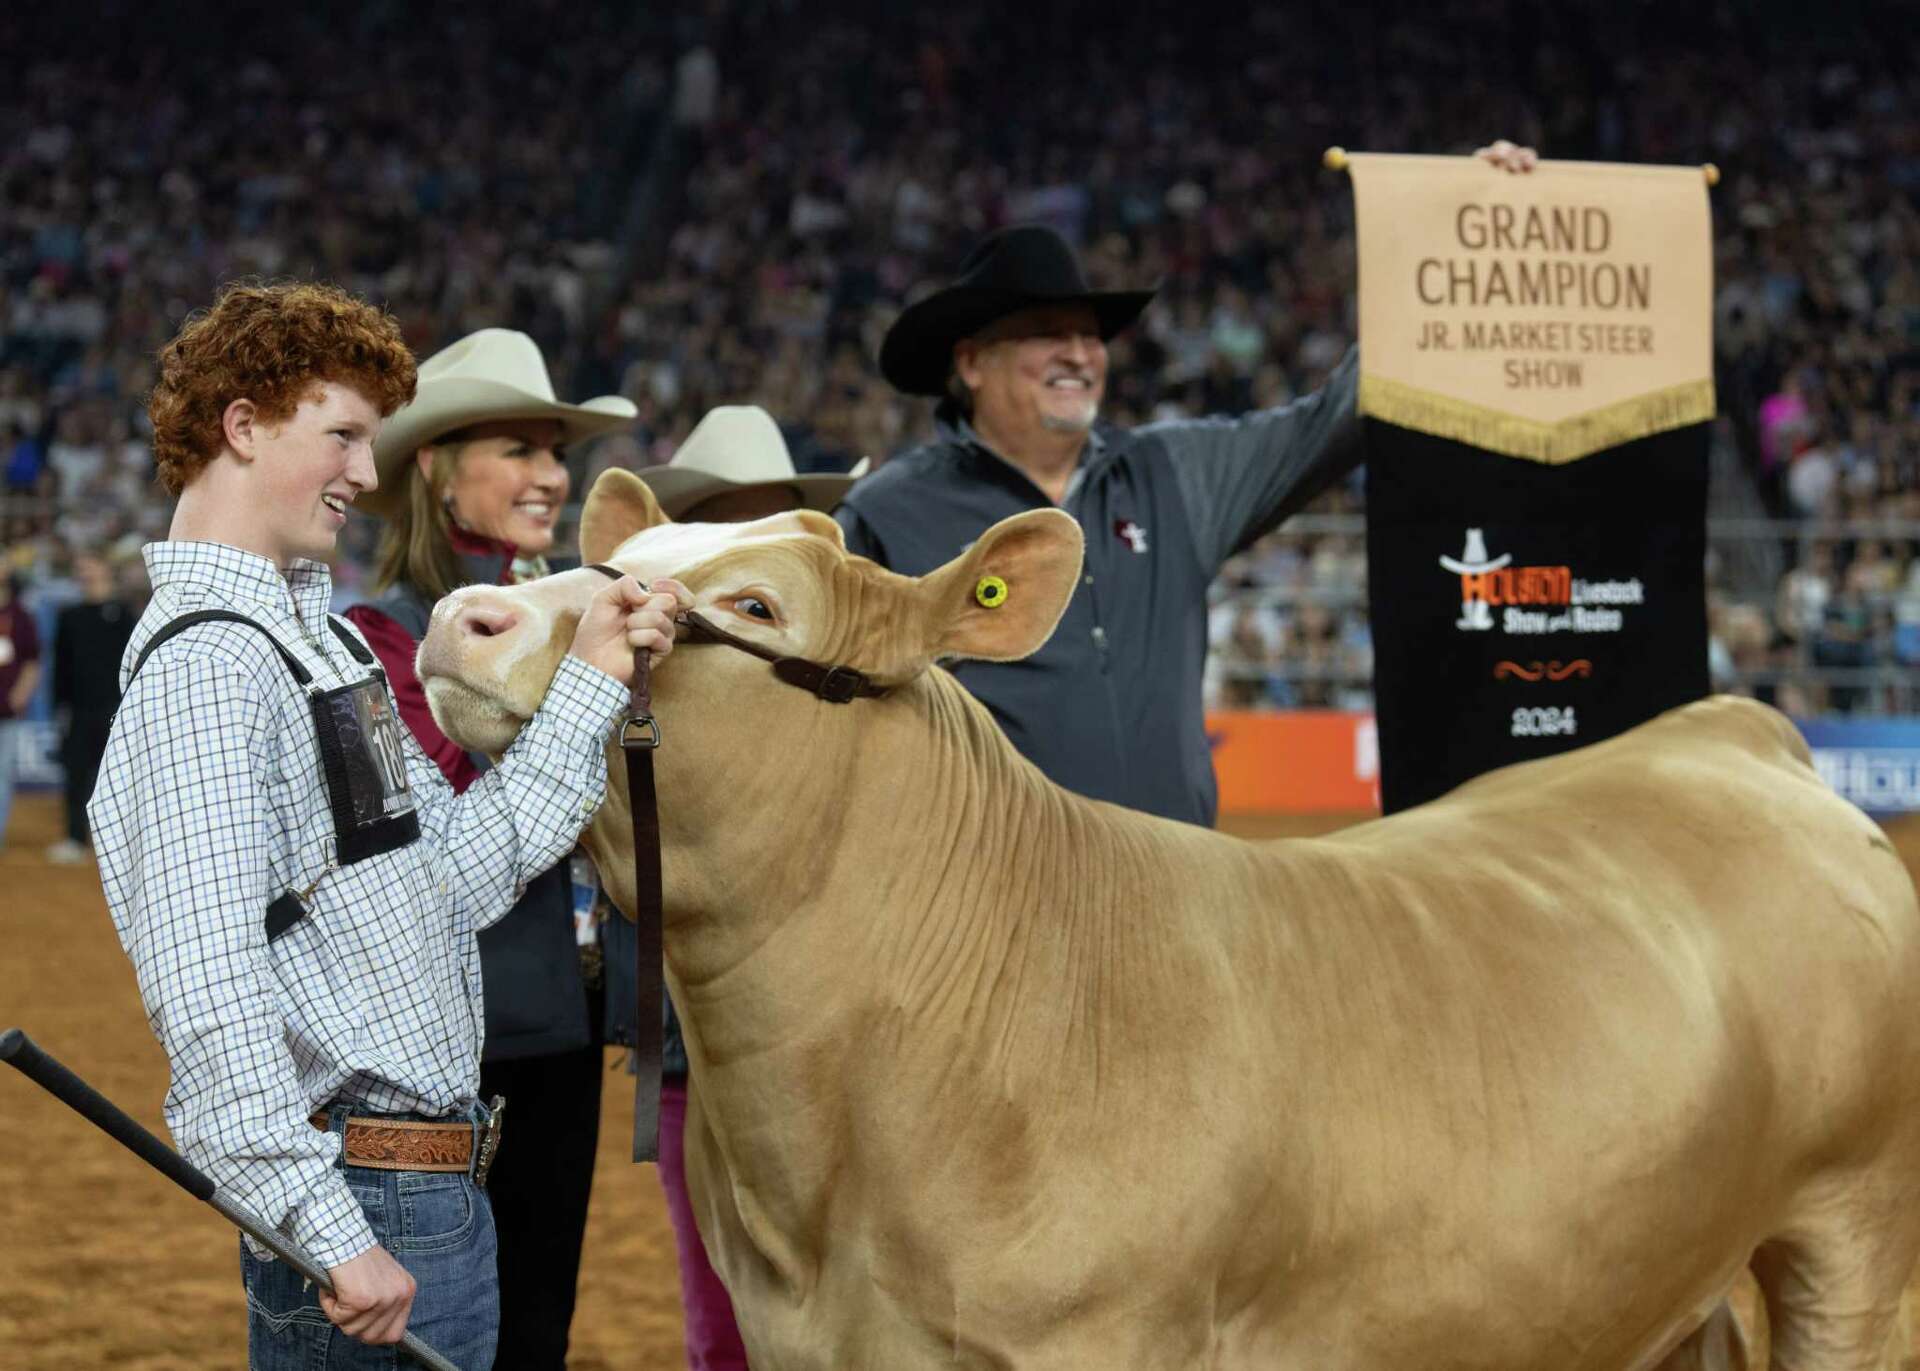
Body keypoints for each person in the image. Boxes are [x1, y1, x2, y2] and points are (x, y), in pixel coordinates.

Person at [87, 282, 688, 1370]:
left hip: (427, 1192)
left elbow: (457, 874)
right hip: (365, 1208)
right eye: (346, 436)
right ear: (243, 425)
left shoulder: (325, 649)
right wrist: (324, 1232)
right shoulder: (209, 670)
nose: (367, 473)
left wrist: (594, 675)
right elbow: (206, 989)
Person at [838, 142, 1535, 826]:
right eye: (1047, 333)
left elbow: (1337, 417)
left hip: (1175, 899)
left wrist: (1462, 229)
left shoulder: (1171, 472)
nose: (1080, 354)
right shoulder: (890, 514)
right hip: (997, 910)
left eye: (1091, 335)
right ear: (972, 362)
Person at [343, 326, 639, 1371]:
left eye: (555, 452)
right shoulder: (376, 637)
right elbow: (441, 827)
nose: (550, 476)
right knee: (440, 1340)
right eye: (516, 448)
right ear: (434, 468)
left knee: (537, 1329)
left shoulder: (575, 608)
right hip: (445, 1054)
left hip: (558, 1021)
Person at [633, 404, 855, 1371]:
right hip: (713, 1042)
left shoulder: (830, 666)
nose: (748, 545)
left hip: (843, 1041)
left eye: (767, 525)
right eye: (728, 521)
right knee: (728, 1319)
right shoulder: (637, 655)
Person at [48, 550, 134, 863]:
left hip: (116, 711)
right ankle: (74, 839)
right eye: (79, 566)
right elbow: (60, 667)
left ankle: (119, 849)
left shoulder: (124, 614)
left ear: (106, 568)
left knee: (118, 782)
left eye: (90, 564)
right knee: (76, 777)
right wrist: (60, 708)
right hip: (79, 712)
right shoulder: (69, 616)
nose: (84, 571)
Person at [0, 568, 41, 848]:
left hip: (6, 709)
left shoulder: (20, 615)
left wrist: (21, 694)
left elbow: (32, 659)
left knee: (1, 774)